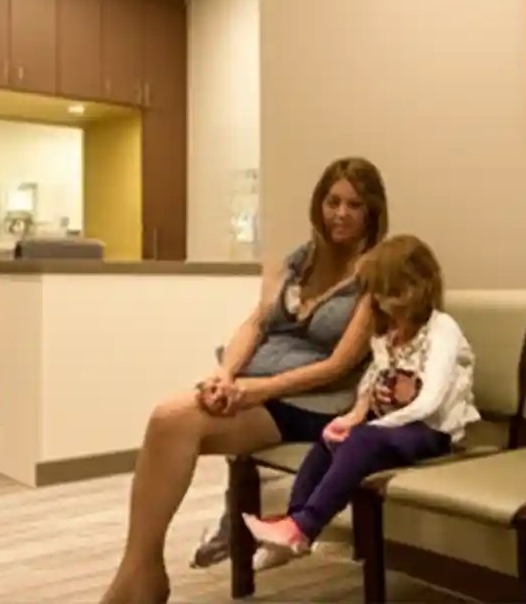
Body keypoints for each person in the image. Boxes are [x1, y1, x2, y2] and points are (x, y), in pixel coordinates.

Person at [100, 157, 389, 604]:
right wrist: (224, 374)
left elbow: (338, 364)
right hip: (253, 388)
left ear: (372, 211)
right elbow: (256, 324)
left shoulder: (376, 272)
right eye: (333, 201)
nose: (341, 213)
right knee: (166, 419)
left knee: (176, 419)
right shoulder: (299, 260)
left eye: (354, 204)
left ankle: (136, 584)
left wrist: (255, 390)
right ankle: (141, 570)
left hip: (312, 403)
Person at [241, 235, 479, 555]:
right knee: (331, 437)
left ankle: (305, 526)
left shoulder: (442, 329)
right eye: (378, 293)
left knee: (359, 441)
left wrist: (372, 428)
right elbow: (370, 381)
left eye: (392, 292)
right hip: (390, 429)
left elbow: (430, 401)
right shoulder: (388, 334)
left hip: (431, 432)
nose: (383, 302)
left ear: (421, 286)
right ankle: (295, 524)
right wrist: (351, 417)